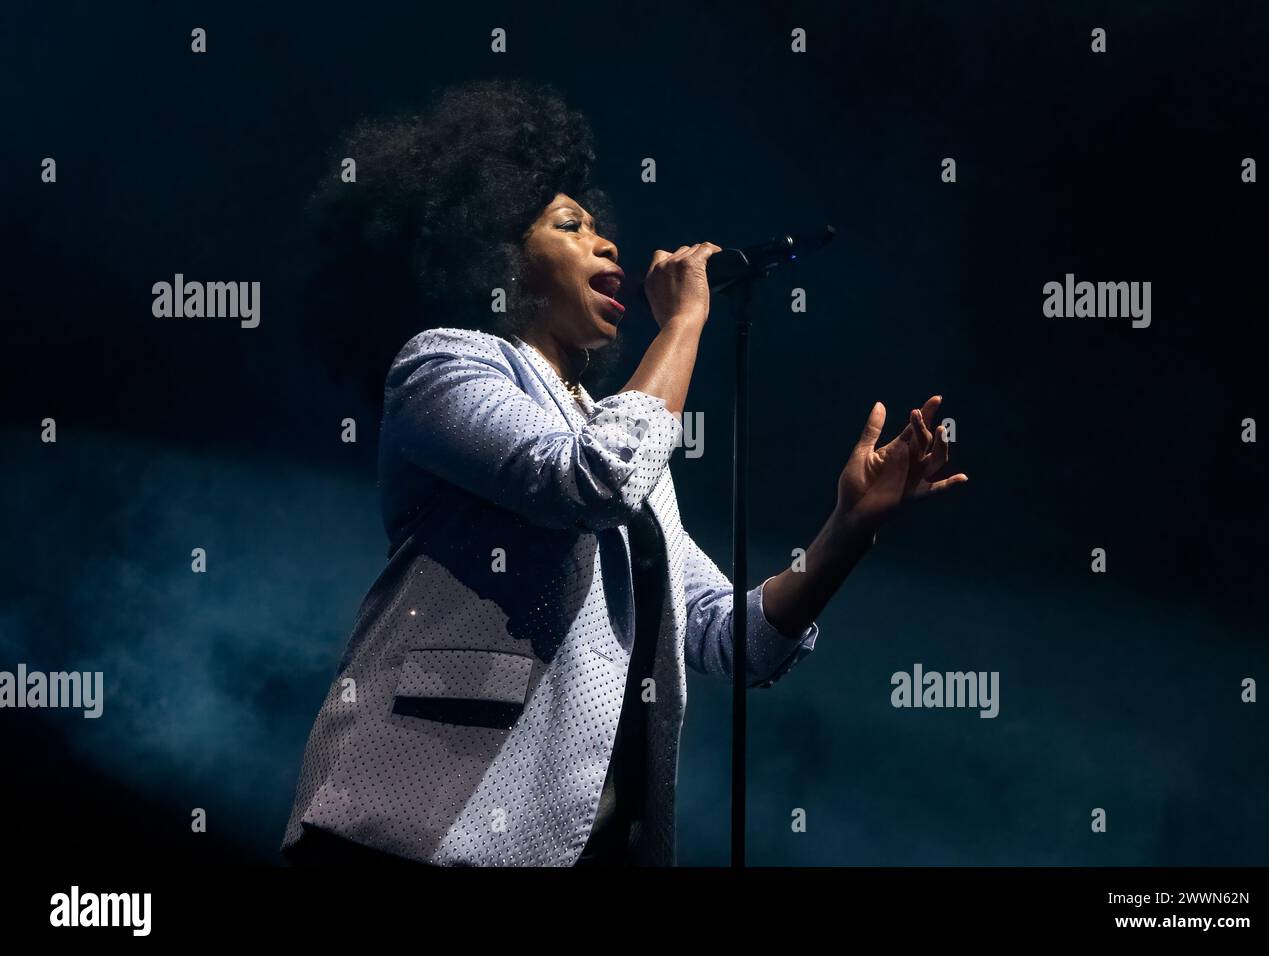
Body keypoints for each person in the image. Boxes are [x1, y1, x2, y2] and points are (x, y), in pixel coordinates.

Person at [281, 79, 966, 867]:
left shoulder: (620, 431)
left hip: (581, 846)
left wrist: (849, 529)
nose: (608, 244)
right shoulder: (442, 365)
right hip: (420, 825)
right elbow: (592, 481)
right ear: (495, 253)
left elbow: (733, 637)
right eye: (571, 225)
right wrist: (686, 321)